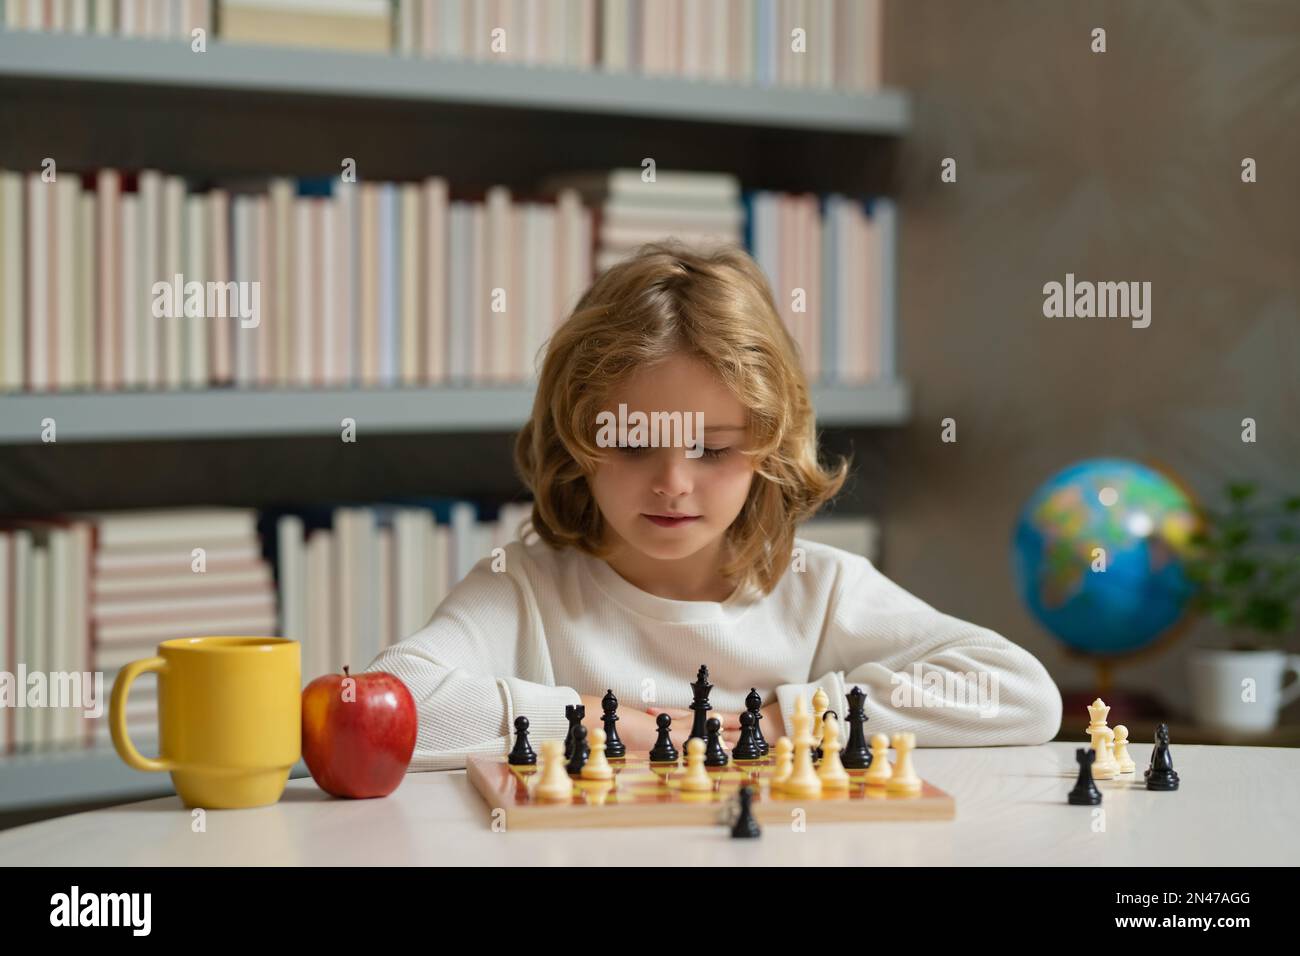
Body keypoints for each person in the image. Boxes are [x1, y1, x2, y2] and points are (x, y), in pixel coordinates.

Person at [367, 242, 1062, 770]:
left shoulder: (818, 592)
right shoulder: (524, 588)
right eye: (635, 446)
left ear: (769, 445)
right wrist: (615, 727)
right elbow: (393, 706)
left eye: (712, 449)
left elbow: (1022, 694)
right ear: (578, 440)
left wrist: (792, 721)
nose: (673, 482)